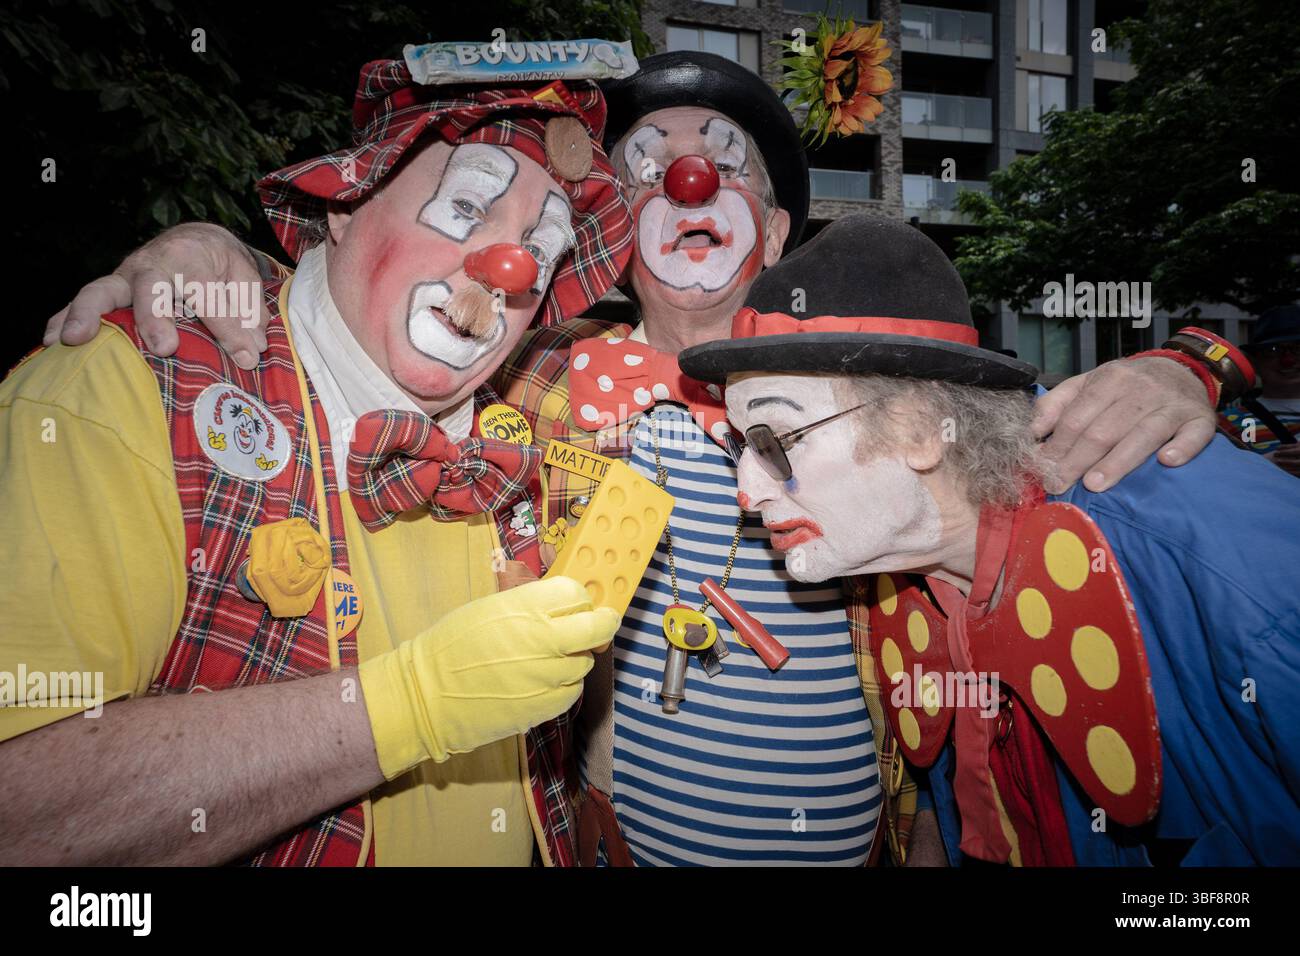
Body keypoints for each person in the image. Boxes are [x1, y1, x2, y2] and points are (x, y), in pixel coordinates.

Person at [45, 51, 1224, 867]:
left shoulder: (885, 407)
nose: (689, 179)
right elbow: (360, 318)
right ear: (611, 248)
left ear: (770, 235)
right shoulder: (536, 387)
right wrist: (204, 257)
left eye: (724, 166)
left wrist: (1189, 366)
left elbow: (1018, 454)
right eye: (651, 165)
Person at [0, 59, 632, 865]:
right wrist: (404, 707)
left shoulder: (518, 440)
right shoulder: (126, 388)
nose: (506, 270)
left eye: (539, 252)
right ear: (348, 204)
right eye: (467, 205)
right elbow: (22, 813)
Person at [681, 214, 1300, 865]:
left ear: (921, 429)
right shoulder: (900, 574)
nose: (746, 495)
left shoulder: (1221, 562)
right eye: (741, 448)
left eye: (776, 440)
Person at [1218, 304, 1300, 477]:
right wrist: (1266, 466)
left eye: (1298, 348)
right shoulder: (1226, 424)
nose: (1288, 360)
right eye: (1273, 350)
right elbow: (1214, 479)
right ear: (1254, 361)